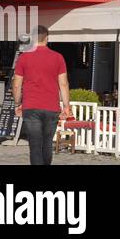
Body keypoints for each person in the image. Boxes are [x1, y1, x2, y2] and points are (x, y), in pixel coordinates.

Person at [12, 25, 70, 166]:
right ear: (47, 38)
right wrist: (66, 106)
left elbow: (16, 84)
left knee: (35, 145)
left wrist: (17, 103)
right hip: (51, 108)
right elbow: (63, 84)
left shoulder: (24, 58)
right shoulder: (58, 58)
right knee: (47, 143)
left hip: (31, 107)